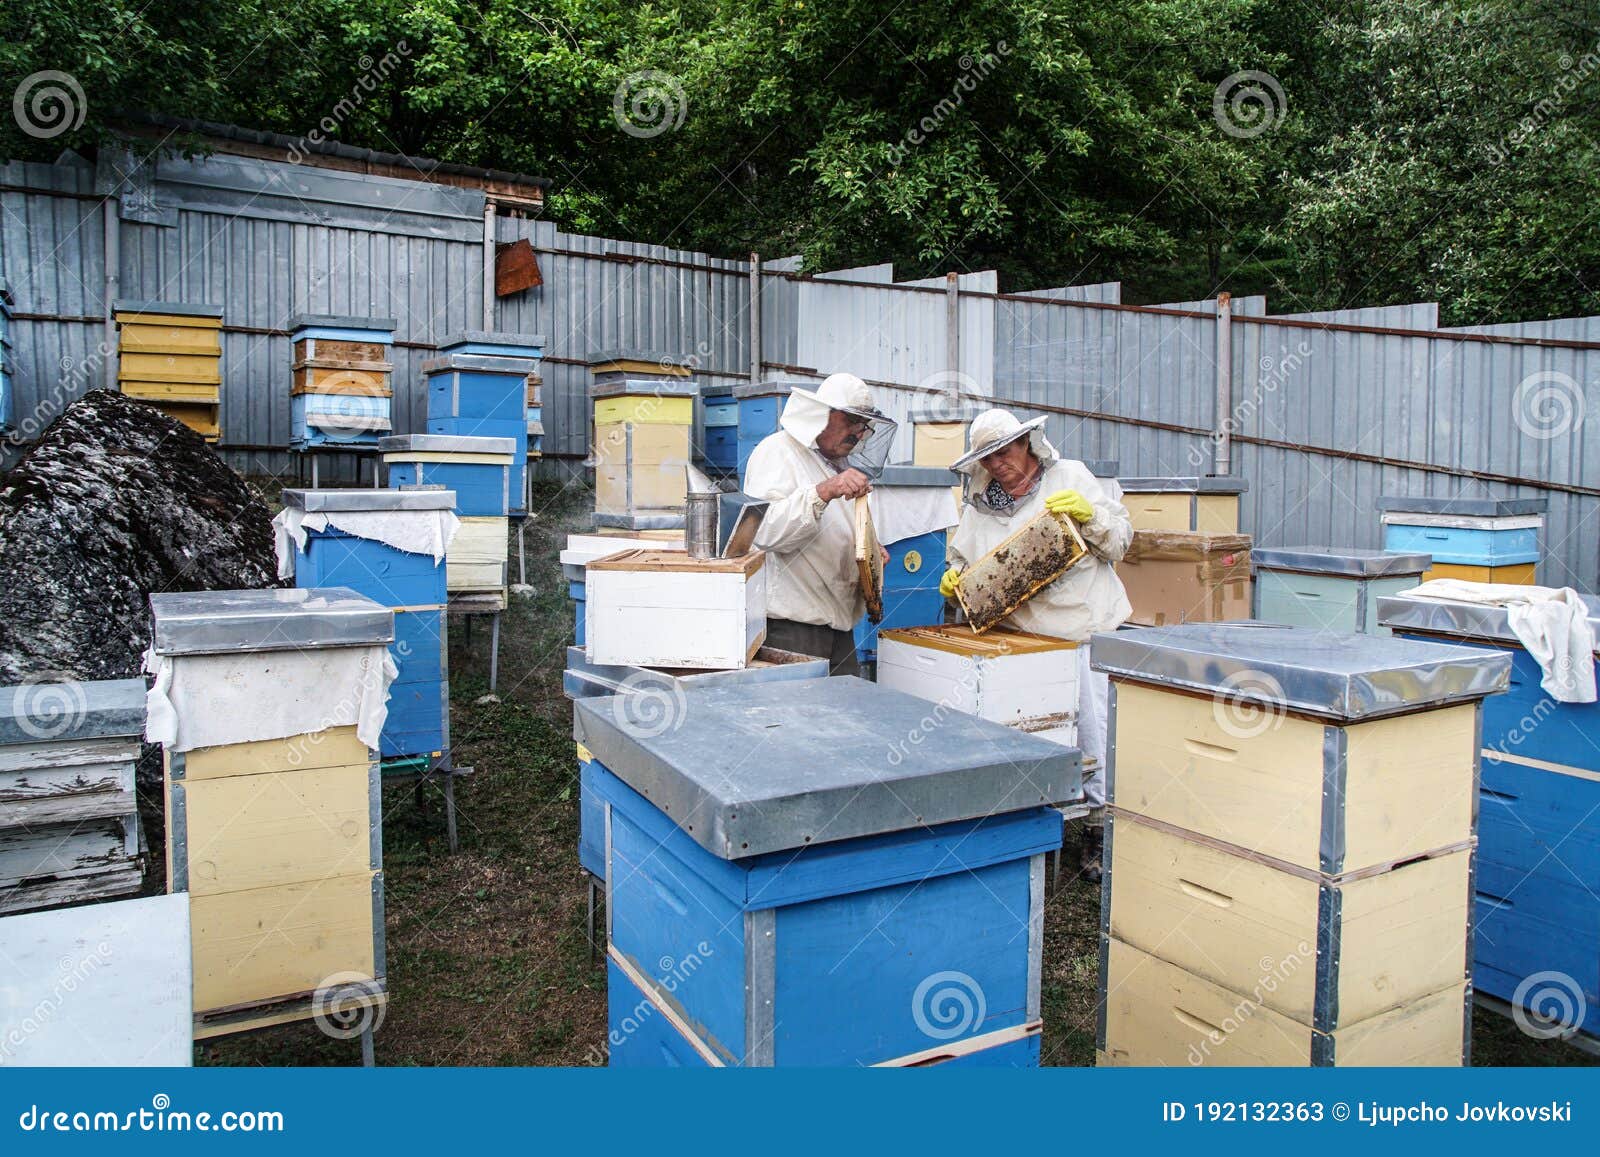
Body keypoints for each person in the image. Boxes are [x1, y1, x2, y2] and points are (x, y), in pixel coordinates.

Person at [940, 409, 1133, 882]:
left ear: (1029, 444)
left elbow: (1121, 541)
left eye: (1005, 451)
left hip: (1083, 633)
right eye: (989, 457)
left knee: (1094, 739)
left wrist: (1093, 518)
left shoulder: (1071, 477)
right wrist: (954, 581)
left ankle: (1098, 830)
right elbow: (962, 559)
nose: (1000, 463)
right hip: (1025, 644)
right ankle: (1034, 830)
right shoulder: (981, 504)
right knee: (1033, 738)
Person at [744, 373, 894, 676]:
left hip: (839, 628)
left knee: (844, 718)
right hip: (793, 629)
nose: (857, 432)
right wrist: (824, 491)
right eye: (850, 420)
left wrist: (872, 552)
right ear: (820, 414)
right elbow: (765, 532)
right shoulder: (777, 452)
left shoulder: (841, 465)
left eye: (862, 424)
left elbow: (839, 532)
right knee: (799, 721)